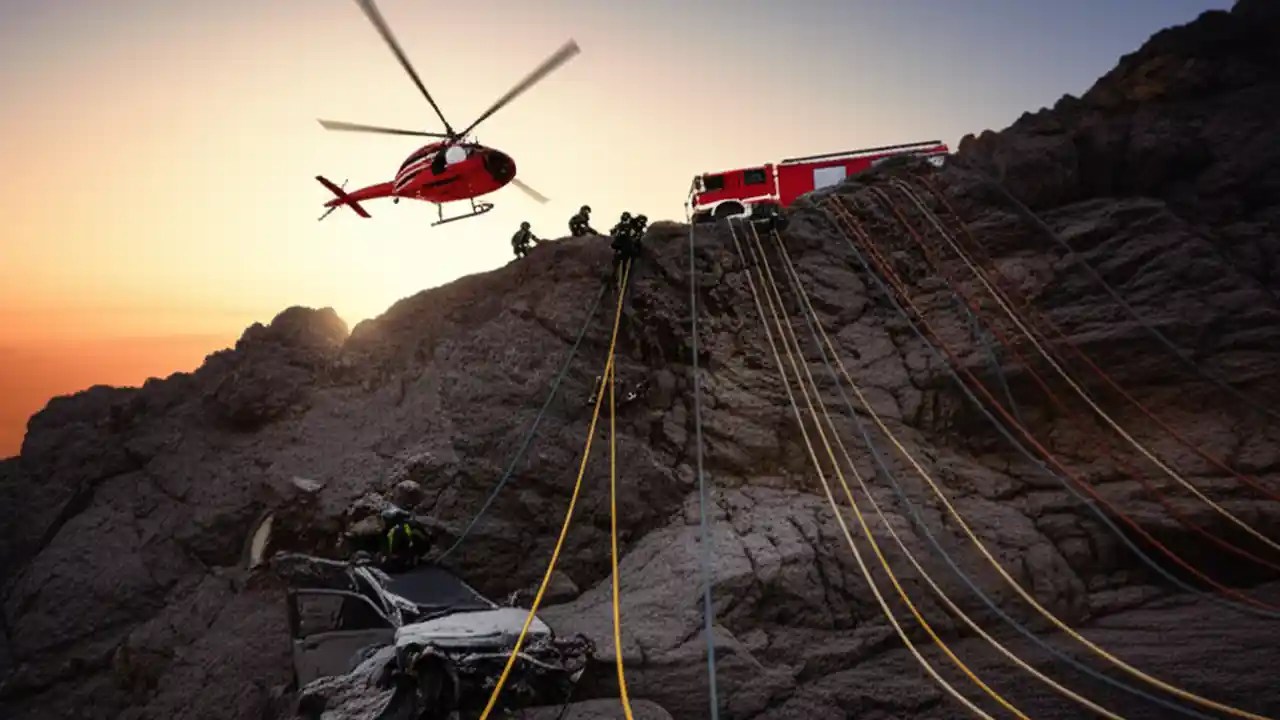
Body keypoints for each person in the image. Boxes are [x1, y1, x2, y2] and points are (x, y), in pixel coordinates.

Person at [380, 505, 432, 572]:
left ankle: (409, 561)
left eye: (385, 519)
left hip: (411, 554)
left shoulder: (398, 529)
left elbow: (391, 547)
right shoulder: (410, 523)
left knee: (384, 565)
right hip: (419, 549)